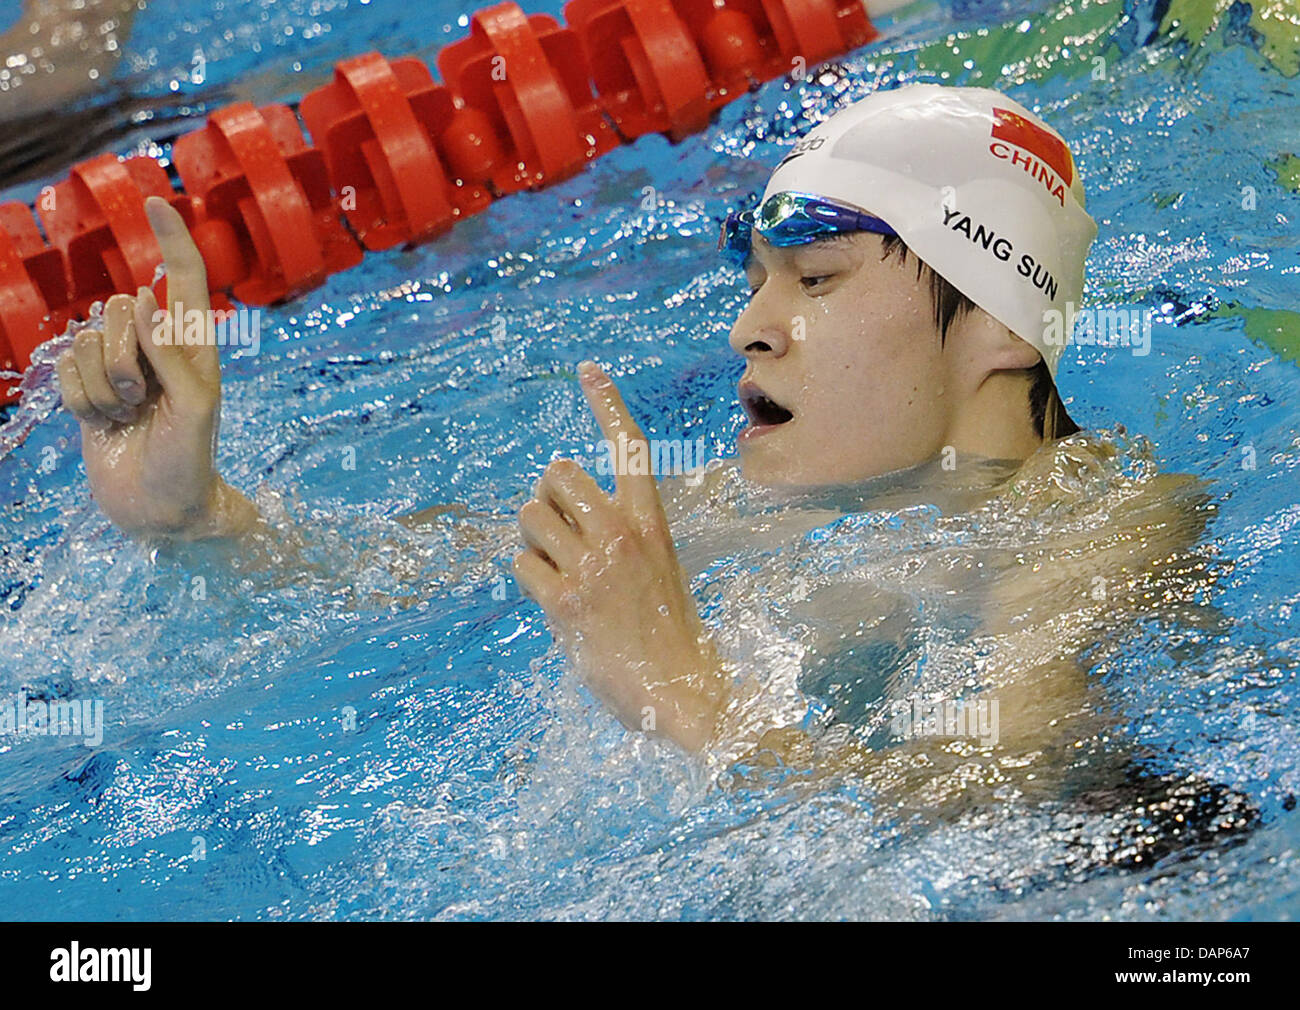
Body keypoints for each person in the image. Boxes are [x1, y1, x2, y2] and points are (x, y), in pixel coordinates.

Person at [54, 85, 1203, 802]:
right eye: (755, 282)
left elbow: (1003, 786)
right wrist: (201, 520)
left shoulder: (1095, 526)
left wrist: (690, 697)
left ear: (999, 327)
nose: (749, 327)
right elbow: (378, 587)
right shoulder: (725, 507)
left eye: (813, 280)